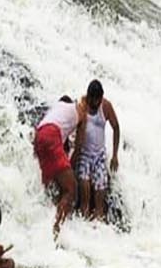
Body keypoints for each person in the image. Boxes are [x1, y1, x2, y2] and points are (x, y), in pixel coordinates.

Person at [34, 95, 83, 234]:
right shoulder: (70, 116)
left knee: (54, 191)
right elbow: (74, 151)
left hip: (40, 140)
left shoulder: (52, 116)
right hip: (51, 140)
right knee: (71, 188)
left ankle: (46, 225)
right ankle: (57, 229)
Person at [76, 79, 121, 222]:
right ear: (88, 97)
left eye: (98, 101)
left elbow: (116, 127)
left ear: (101, 98)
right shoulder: (82, 106)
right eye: (92, 101)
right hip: (84, 154)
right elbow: (76, 132)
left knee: (100, 193)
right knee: (85, 194)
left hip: (100, 156)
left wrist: (115, 155)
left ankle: (99, 227)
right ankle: (84, 223)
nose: (95, 104)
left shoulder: (106, 106)